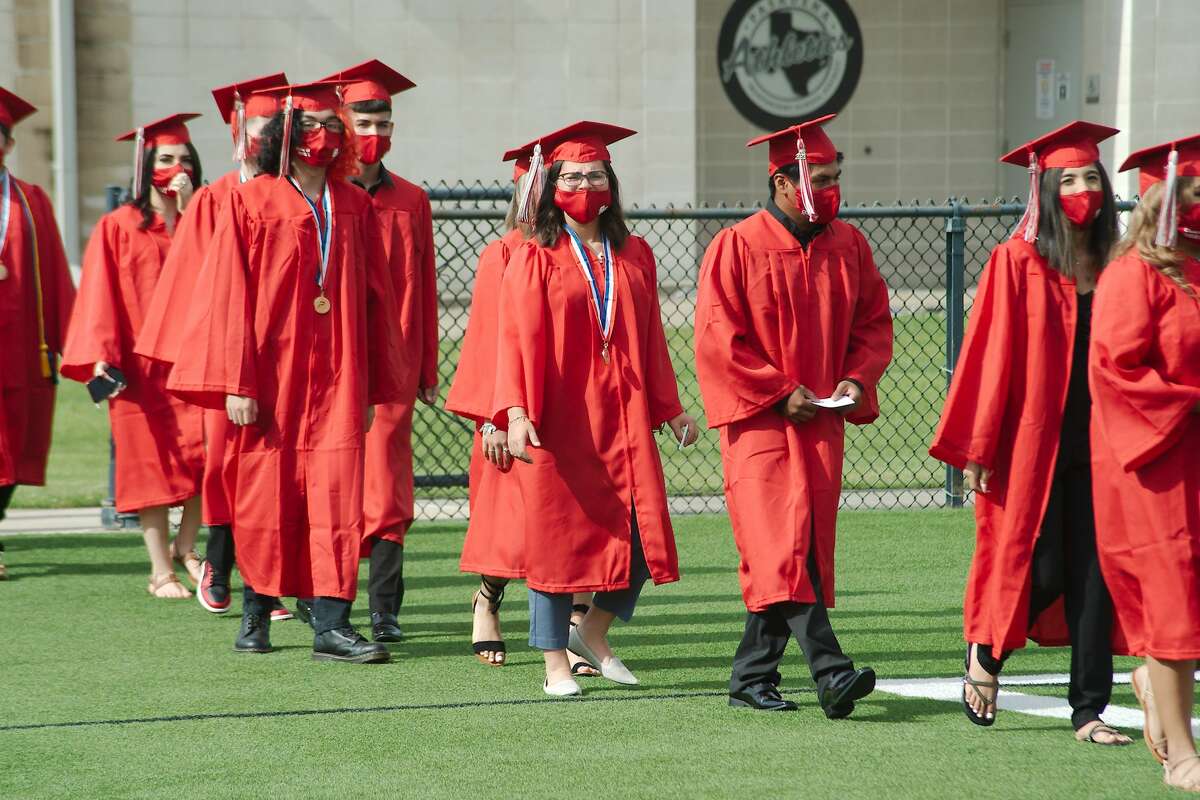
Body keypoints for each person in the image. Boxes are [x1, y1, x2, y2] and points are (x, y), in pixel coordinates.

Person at [166, 81, 406, 663]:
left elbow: (375, 300)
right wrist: (236, 382)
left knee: (337, 496)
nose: (321, 135)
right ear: (284, 135)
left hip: (338, 377)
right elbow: (228, 299)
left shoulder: (352, 205)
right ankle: (255, 611)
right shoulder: (252, 202)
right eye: (309, 124)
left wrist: (373, 384)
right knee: (264, 497)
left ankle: (331, 624)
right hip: (269, 378)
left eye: (331, 124)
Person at [930, 121, 1132, 743]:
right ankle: (985, 655)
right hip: (1031, 447)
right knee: (1037, 570)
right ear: (1043, 190)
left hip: (1105, 445)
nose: (1081, 190)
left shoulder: (1121, 266)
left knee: (1098, 575)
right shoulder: (1016, 262)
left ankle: (1089, 710)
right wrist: (979, 445)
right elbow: (989, 361)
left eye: (1090, 178)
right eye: (1067, 179)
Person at [694, 114, 892, 717]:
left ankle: (751, 677)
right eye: (820, 178)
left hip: (821, 424)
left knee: (796, 547)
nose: (832, 190)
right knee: (779, 543)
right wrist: (780, 392)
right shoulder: (737, 246)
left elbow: (872, 325)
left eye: (836, 177)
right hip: (760, 423)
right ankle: (831, 673)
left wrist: (857, 380)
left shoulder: (848, 246)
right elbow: (716, 339)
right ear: (782, 181)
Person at [496, 121, 698, 696]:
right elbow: (516, 338)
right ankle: (554, 662)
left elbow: (652, 336)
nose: (585, 183)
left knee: (639, 536)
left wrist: (671, 409)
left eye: (595, 174)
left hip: (625, 416)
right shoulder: (536, 254)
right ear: (553, 184)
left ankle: (595, 632)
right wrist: (514, 411)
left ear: (610, 182)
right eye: (574, 175)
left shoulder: (635, 254)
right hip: (560, 416)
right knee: (556, 540)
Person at [134, 72, 292, 621]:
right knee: (226, 469)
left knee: (275, 473)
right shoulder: (214, 200)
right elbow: (194, 290)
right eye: (256, 127)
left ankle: (265, 586)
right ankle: (222, 565)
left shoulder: (296, 198)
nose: (264, 137)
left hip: (283, 361)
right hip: (227, 360)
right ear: (236, 132)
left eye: (274, 127)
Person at [1091, 135, 1200, 790]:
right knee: (1173, 603)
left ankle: (1154, 688)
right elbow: (1116, 371)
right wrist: (1190, 402)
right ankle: (1183, 754)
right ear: (1165, 201)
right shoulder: (1132, 276)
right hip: (1153, 462)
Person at [60, 113, 206, 598]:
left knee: (207, 458)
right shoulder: (117, 226)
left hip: (193, 363)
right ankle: (161, 569)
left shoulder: (203, 220)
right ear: (145, 166)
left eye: (184, 159)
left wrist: (187, 212)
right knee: (149, 466)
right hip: (138, 368)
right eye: (165, 159)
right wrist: (100, 357)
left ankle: (189, 548)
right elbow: (99, 293)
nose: (176, 167)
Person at [320, 60, 438, 643]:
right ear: (340, 120)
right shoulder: (324, 199)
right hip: (334, 362)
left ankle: (385, 608)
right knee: (333, 476)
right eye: (364, 116)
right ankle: (324, 601)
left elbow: (426, 285)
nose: (376, 128)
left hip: (393, 363)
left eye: (384, 119)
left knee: (388, 482)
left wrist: (426, 365)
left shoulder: (411, 199)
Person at [444, 148, 531, 667]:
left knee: (577, 522)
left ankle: (575, 625)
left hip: (571, 408)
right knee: (508, 523)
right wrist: (490, 417)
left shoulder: (587, 252)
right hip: (507, 408)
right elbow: (485, 341)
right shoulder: (501, 254)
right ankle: (488, 599)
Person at [0, 87, 76, 580]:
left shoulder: (30, 200)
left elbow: (53, 270)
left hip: (20, 343)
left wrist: (77, 344)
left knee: (12, 439)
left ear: (7, 143)